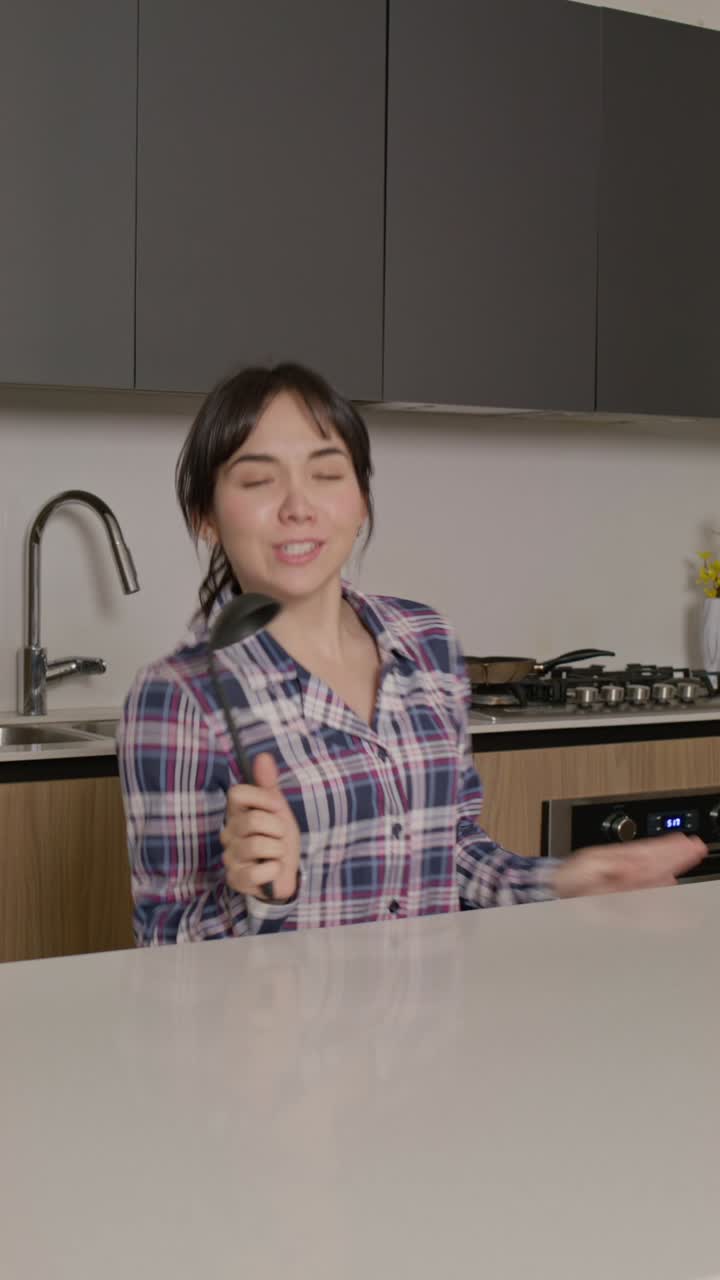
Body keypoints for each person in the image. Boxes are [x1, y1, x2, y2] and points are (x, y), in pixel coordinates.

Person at [117, 363, 706, 945]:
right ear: (207, 519)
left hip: (428, 1028)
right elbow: (166, 946)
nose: (299, 505)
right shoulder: (180, 696)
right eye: (256, 481)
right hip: (286, 1036)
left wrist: (562, 880)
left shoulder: (425, 641)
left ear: (361, 501)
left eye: (327, 474)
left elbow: (451, 847)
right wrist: (262, 895)